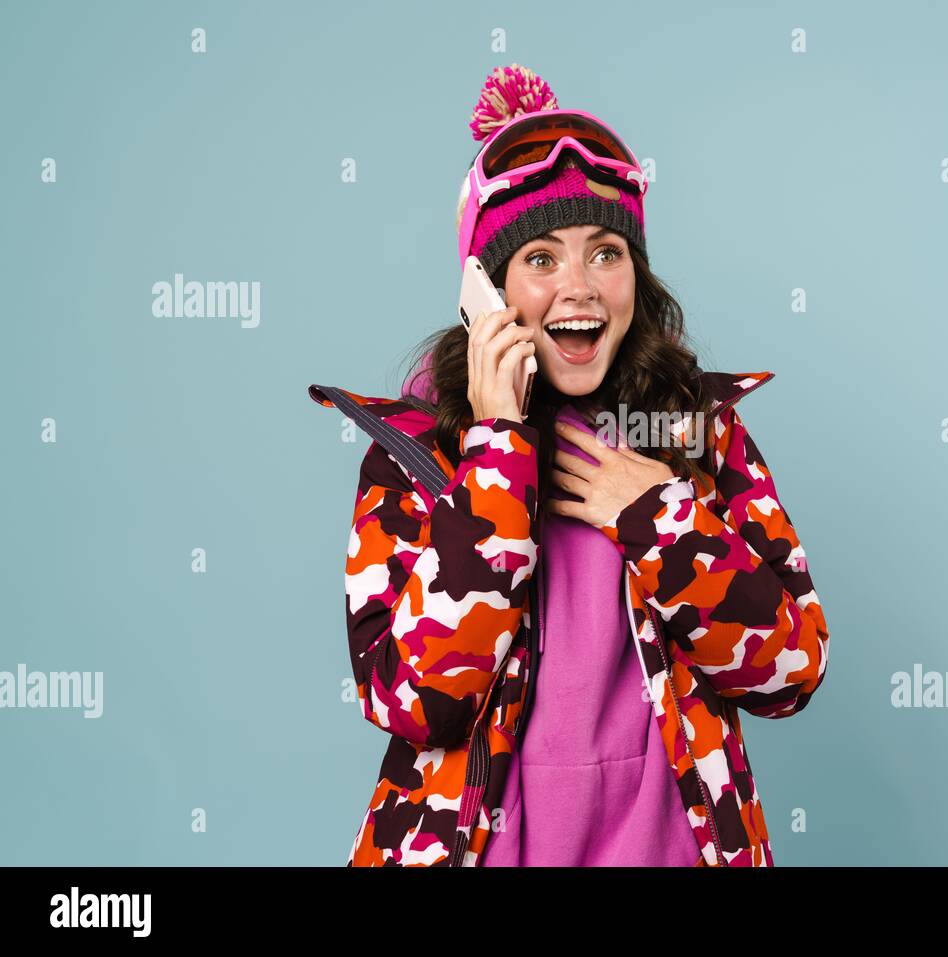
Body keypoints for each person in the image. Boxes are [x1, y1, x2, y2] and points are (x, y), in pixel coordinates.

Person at [308, 63, 829, 866]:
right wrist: (498, 448)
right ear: (486, 291)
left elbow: (790, 671)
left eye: (606, 253)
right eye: (541, 259)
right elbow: (414, 699)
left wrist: (659, 513)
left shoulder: (699, 438)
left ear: (637, 275)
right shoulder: (416, 455)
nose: (578, 287)